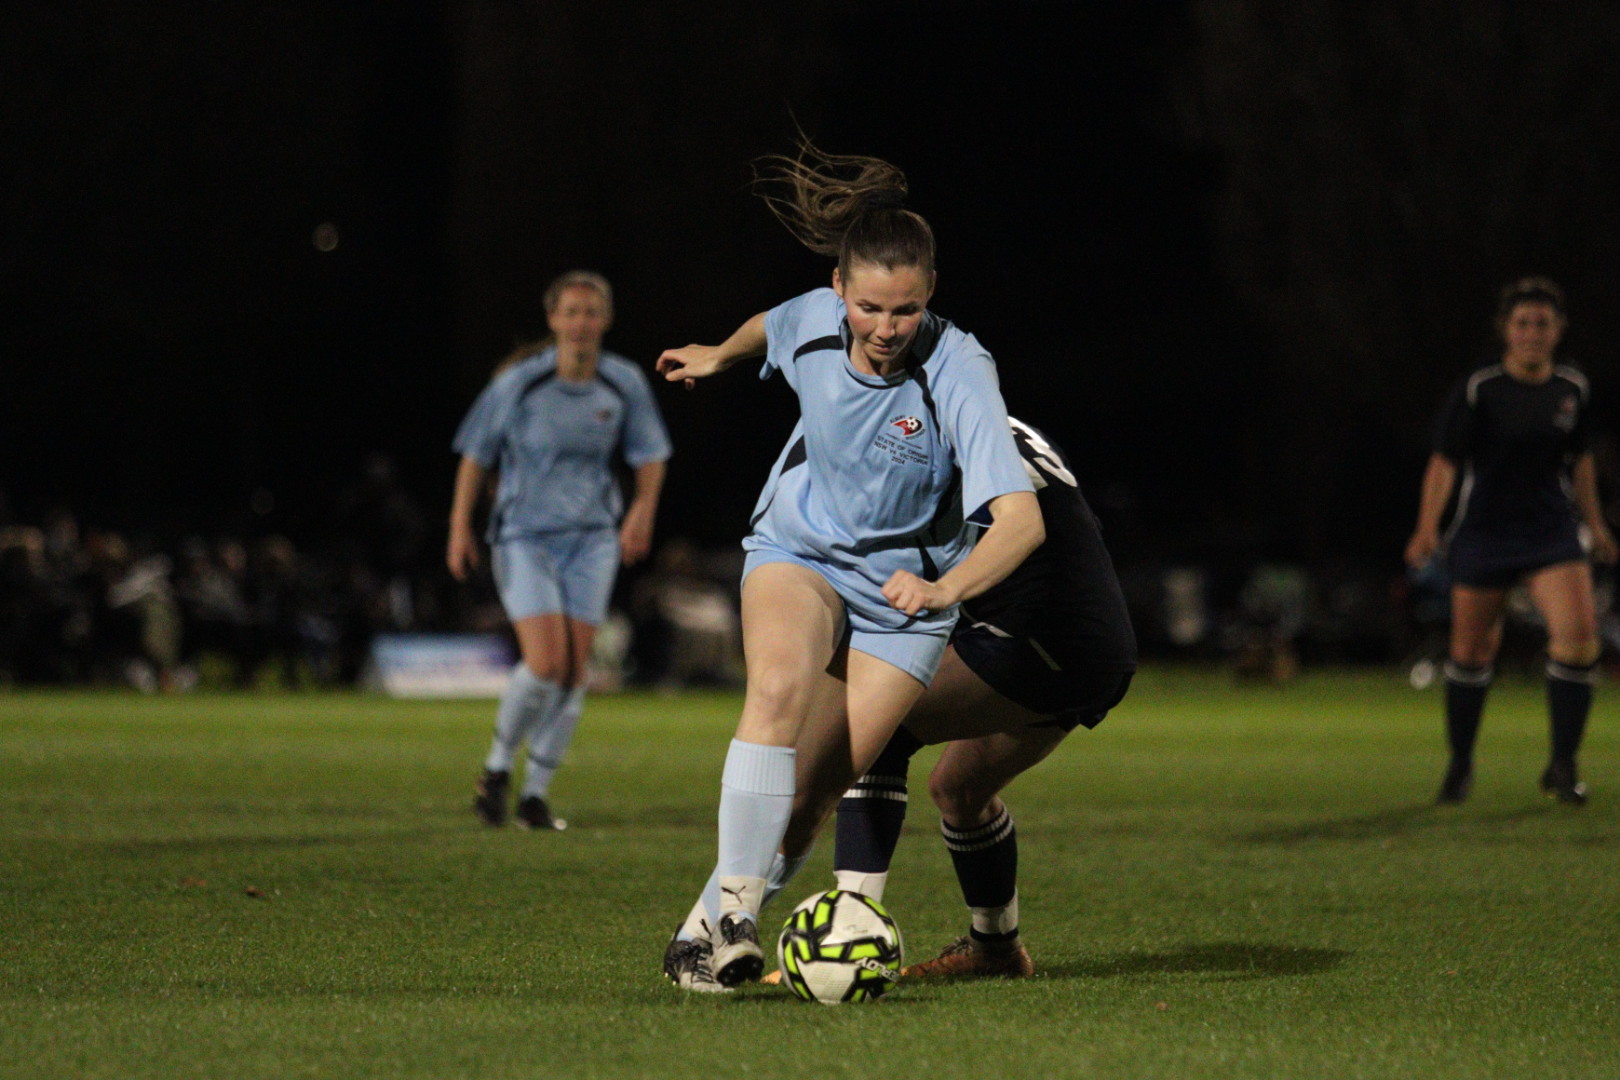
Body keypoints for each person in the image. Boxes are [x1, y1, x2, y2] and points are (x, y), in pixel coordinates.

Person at [655, 141, 1043, 991]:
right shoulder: (813, 320)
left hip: (906, 597)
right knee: (776, 691)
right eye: (868, 307)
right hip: (800, 550)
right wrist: (718, 354)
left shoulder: (960, 369)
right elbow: (772, 324)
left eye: (905, 310)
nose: (885, 328)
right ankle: (735, 916)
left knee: (815, 791)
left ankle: (696, 937)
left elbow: (1022, 523)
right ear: (839, 289)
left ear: (930, 292)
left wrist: (943, 587)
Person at [448, 270, 671, 830]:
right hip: (524, 536)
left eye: (590, 312)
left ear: (606, 320)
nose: (580, 323)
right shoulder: (520, 382)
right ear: (552, 319)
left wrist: (641, 511)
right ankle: (497, 768)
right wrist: (458, 528)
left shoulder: (622, 381)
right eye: (570, 312)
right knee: (547, 663)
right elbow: (475, 455)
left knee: (574, 672)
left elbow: (651, 454)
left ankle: (534, 797)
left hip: (592, 539)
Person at [1404, 277, 1617, 806]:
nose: (1532, 332)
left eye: (1542, 323)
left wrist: (1597, 526)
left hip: (1551, 532)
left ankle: (1563, 766)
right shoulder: (1481, 388)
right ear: (1505, 329)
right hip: (1485, 533)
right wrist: (1427, 527)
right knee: (1470, 653)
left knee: (1579, 642)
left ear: (1558, 330)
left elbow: (1581, 462)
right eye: (1523, 323)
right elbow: (1445, 461)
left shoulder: (1572, 388)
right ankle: (1460, 765)